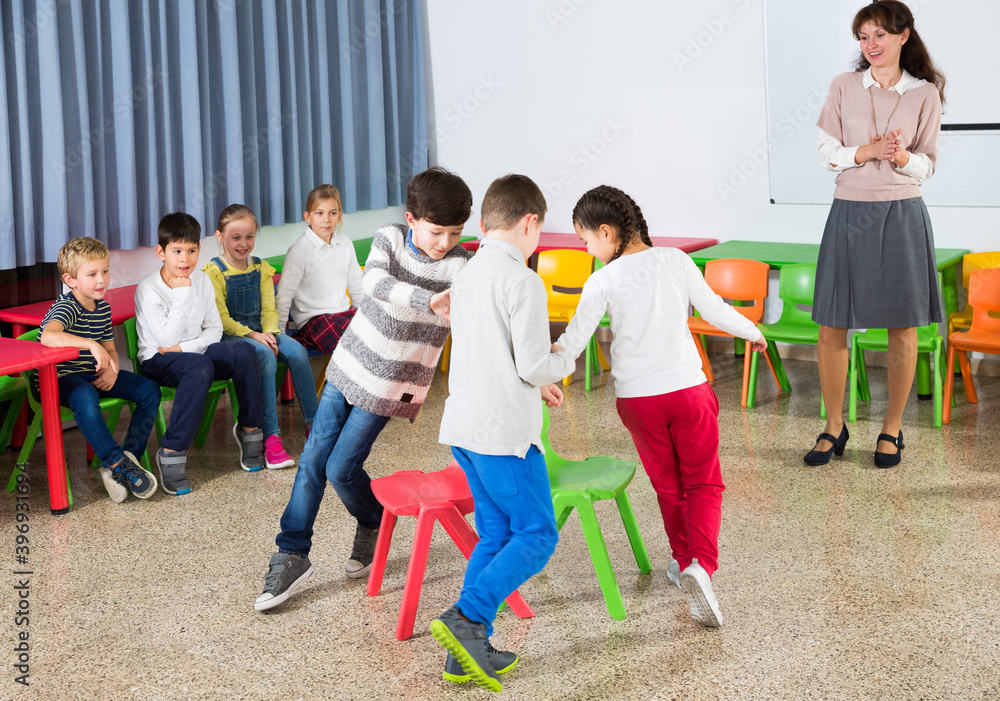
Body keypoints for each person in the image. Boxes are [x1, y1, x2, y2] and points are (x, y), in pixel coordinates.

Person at [254, 167, 474, 612]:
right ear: (412, 219)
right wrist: (426, 300)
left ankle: (372, 517)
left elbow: (480, 320)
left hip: (392, 382)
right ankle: (292, 552)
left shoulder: (462, 265)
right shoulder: (389, 238)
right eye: (436, 231)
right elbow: (373, 283)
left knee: (340, 468)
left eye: (455, 233)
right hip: (350, 364)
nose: (444, 242)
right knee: (314, 458)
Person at [557, 185, 768, 630]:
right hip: (687, 392)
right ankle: (701, 567)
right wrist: (752, 332)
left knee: (669, 487)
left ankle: (680, 561)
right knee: (705, 483)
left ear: (607, 232)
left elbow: (572, 342)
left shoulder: (601, 281)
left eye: (585, 240)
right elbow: (713, 310)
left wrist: (535, 372)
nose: (587, 250)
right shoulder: (675, 260)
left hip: (637, 401)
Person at [431, 174, 575, 693]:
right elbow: (536, 363)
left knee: (495, 536)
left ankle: (466, 653)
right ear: (530, 222)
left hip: (465, 431)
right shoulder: (523, 280)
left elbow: (492, 354)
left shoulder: (467, 275)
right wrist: (565, 359)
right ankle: (466, 618)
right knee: (536, 535)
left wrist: (534, 385)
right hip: (504, 438)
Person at [807, 0, 945, 469]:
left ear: (904, 35)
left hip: (902, 213)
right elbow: (826, 151)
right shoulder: (844, 86)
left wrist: (904, 158)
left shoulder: (925, 93)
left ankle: (891, 429)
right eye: (863, 37)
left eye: (880, 36)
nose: (871, 46)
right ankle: (833, 425)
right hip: (848, 212)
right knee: (832, 324)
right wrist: (865, 151)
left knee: (902, 327)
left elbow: (928, 164)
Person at [135, 212, 266, 494]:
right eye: (177, 251)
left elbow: (214, 330)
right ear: (161, 252)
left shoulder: (202, 281)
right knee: (198, 366)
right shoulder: (148, 289)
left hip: (195, 353)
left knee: (243, 351)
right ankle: (171, 449)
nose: (185, 259)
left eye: (191, 251)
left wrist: (185, 347)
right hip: (157, 360)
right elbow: (164, 339)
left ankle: (250, 429)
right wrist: (181, 295)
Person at [38, 237, 160, 503]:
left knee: (149, 390)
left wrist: (112, 370)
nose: (101, 280)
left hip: (92, 375)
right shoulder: (66, 306)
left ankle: (128, 461)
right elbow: (49, 336)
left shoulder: (102, 308)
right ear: (71, 280)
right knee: (85, 397)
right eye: (92, 274)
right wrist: (90, 344)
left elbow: (111, 349)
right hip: (59, 379)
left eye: (104, 271)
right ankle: (116, 463)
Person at [204, 204, 319, 469]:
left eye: (249, 237)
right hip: (233, 337)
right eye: (236, 237)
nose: (243, 244)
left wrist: (268, 332)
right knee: (265, 356)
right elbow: (221, 319)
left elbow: (270, 309)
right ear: (220, 237)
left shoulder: (261, 268)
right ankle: (271, 437)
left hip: (262, 330)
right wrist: (254, 336)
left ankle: (315, 426)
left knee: (298, 352)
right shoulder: (213, 273)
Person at [274, 184, 364, 354]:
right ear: (308, 216)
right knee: (355, 339)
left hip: (344, 315)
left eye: (333, 213)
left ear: (340, 216)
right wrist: (281, 336)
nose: (326, 220)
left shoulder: (345, 244)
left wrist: (365, 316)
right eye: (319, 213)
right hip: (315, 321)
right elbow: (284, 297)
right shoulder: (299, 251)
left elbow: (356, 286)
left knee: (378, 329)